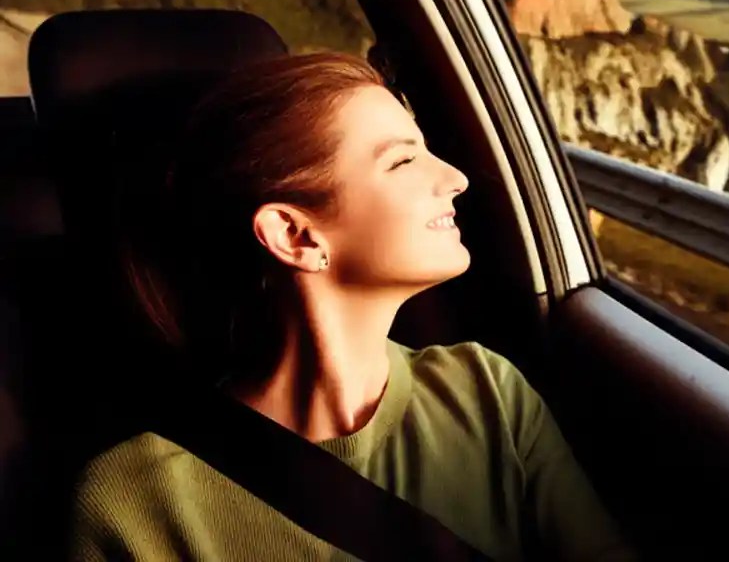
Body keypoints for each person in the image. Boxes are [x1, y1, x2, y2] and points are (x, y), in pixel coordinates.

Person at [68, 52, 637, 561]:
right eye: (402, 161)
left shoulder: (488, 393)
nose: (457, 179)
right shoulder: (136, 504)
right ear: (295, 236)